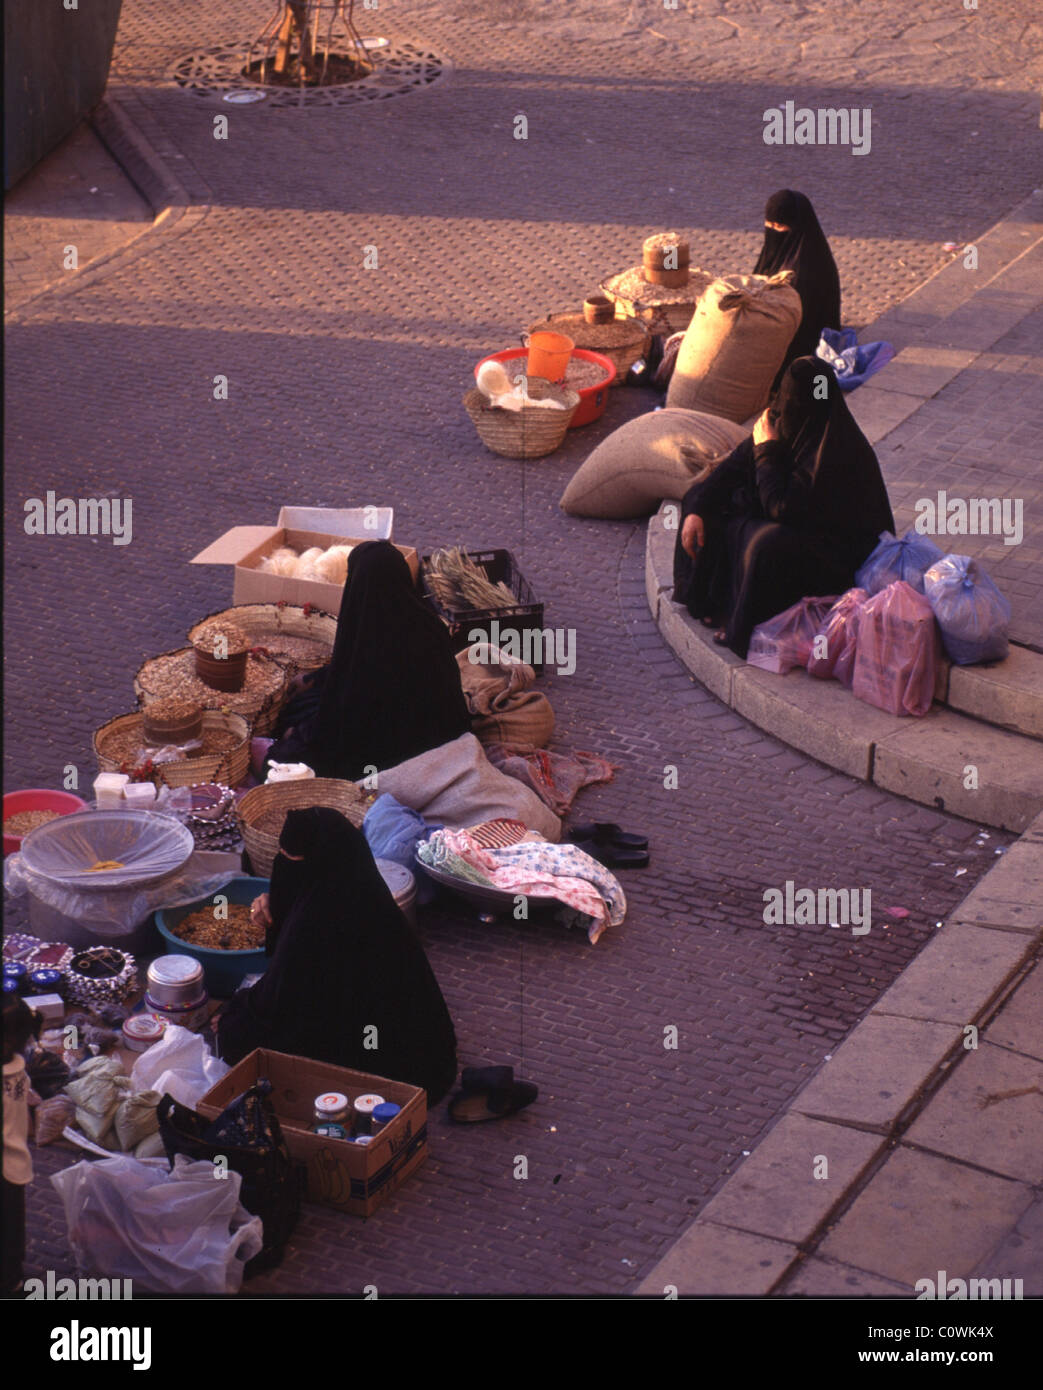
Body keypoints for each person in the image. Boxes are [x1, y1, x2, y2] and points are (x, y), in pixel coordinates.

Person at [218, 807, 458, 1106]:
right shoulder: (366, 892)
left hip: (365, 1055)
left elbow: (281, 1004)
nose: (283, 869)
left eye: (291, 861)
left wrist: (235, 1011)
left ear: (315, 864)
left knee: (237, 1030)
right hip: (422, 1053)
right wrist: (276, 906)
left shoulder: (315, 922)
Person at [673, 356, 895, 658]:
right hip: (793, 525)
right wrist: (697, 508)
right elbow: (728, 473)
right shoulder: (779, 421)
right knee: (705, 502)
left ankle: (744, 627)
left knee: (763, 543)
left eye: (795, 402)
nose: (784, 409)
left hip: (837, 557)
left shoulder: (835, 452)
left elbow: (782, 507)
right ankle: (712, 602)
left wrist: (766, 452)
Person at [269, 540, 471, 780]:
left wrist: (303, 735)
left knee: (293, 727)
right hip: (440, 734)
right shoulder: (429, 625)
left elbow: (349, 711)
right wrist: (316, 678)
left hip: (386, 750)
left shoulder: (365, 631)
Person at [754, 189, 842, 376]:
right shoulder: (782, 249)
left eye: (778, 226)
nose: (772, 230)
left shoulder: (807, 266)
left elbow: (799, 320)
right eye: (769, 224)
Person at [4, 996, 40, 1292]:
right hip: (16, 1165)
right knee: (11, 1230)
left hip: (3, 1169)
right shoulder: (19, 1071)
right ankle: (13, 1280)